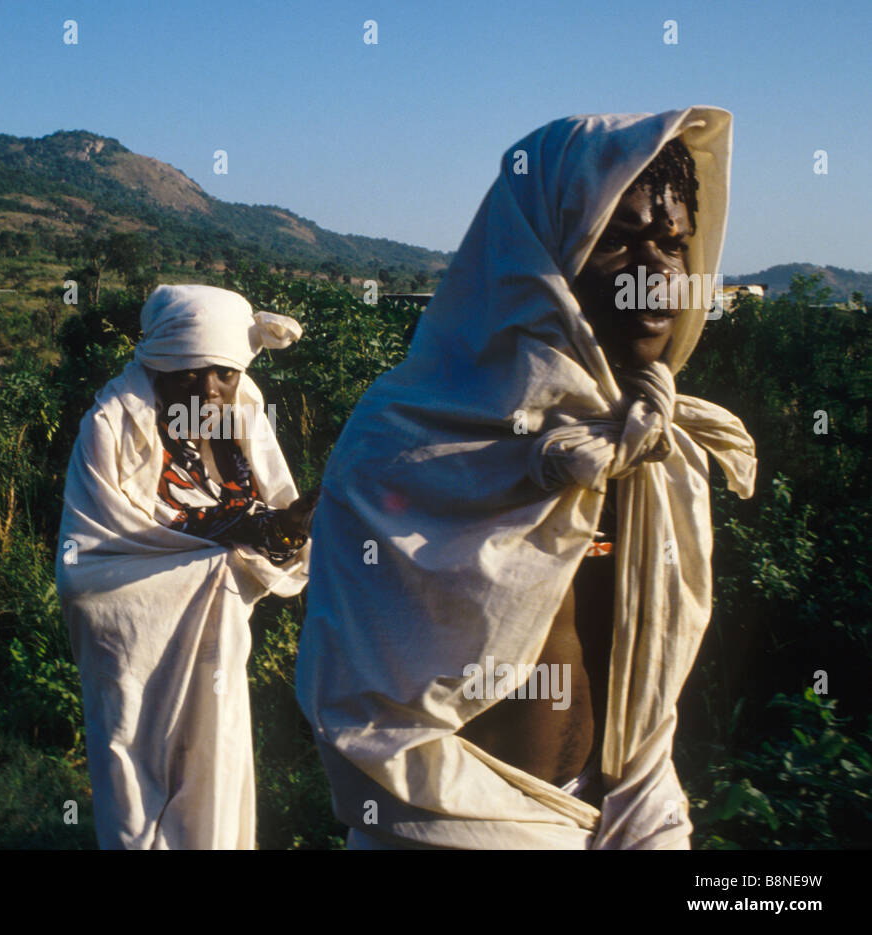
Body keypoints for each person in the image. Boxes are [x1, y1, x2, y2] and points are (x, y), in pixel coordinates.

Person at [295, 107, 757, 849]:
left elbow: (647, 691)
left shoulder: (656, 450)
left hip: (628, 814)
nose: (659, 273)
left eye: (674, 243)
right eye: (622, 240)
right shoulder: (404, 439)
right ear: (539, 252)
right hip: (452, 827)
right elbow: (357, 702)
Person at [57, 284, 318, 849]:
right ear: (158, 366)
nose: (208, 389)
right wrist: (236, 542)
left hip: (216, 637)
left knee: (213, 768)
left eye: (223, 372)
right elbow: (92, 561)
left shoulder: (241, 415)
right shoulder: (114, 424)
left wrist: (287, 527)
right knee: (135, 780)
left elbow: (273, 527)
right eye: (188, 373)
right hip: (133, 638)